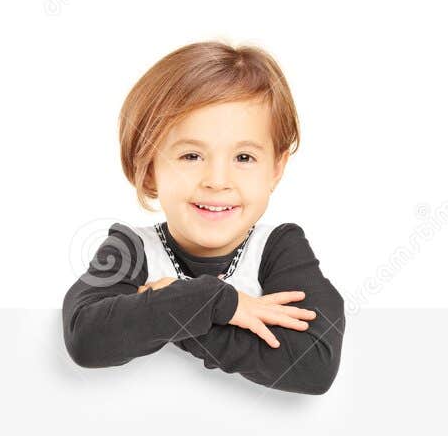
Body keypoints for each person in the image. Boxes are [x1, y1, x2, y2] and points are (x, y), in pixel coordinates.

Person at [63, 41, 342, 393]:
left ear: (275, 168)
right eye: (191, 156)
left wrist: (170, 306)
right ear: (149, 171)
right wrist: (216, 303)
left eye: (244, 158)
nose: (217, 181)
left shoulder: (279, 249)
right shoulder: (133, 248)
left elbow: (313, 366)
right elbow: (85, 338)